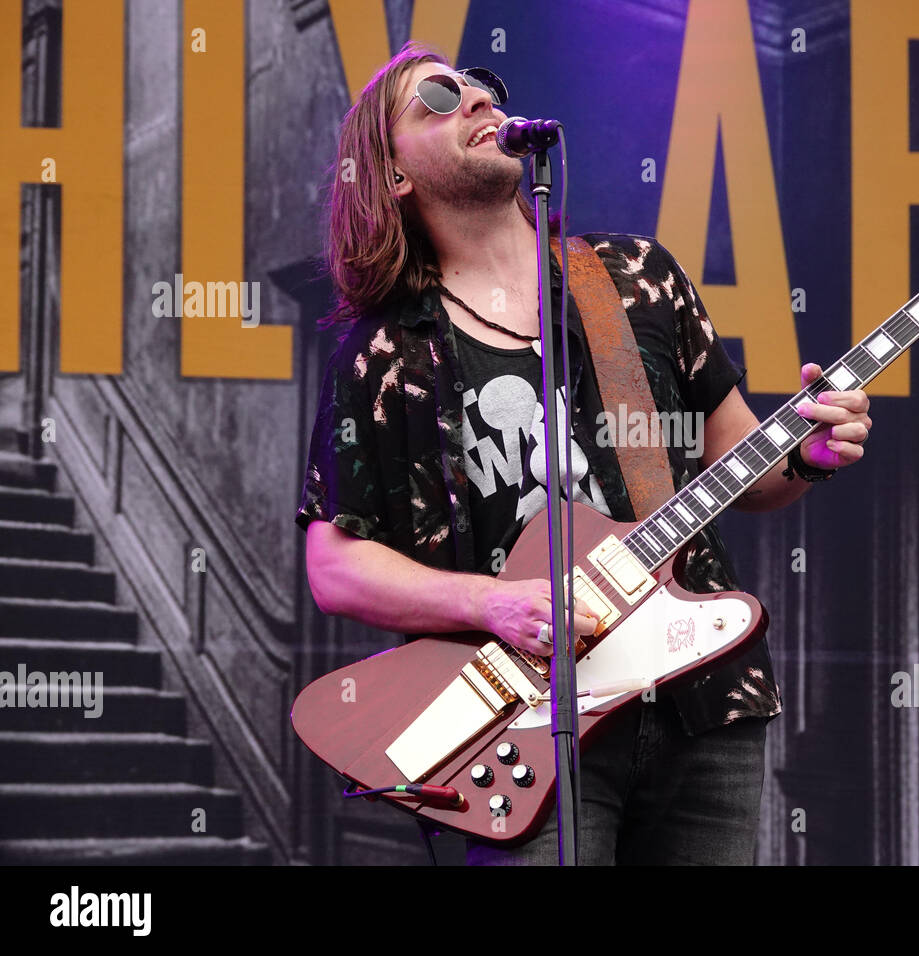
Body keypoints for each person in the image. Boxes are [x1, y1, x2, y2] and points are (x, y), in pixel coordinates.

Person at [295, 41, 872, 865]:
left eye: (486, 87)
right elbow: (336, 566)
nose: (479, 100)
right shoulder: (383, 354)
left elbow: (743, 466)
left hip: (700, 701)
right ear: (391, 177)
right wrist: (492, 605)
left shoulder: (635, 279)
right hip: (521, 726)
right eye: (437, 95)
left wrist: (806, 454)